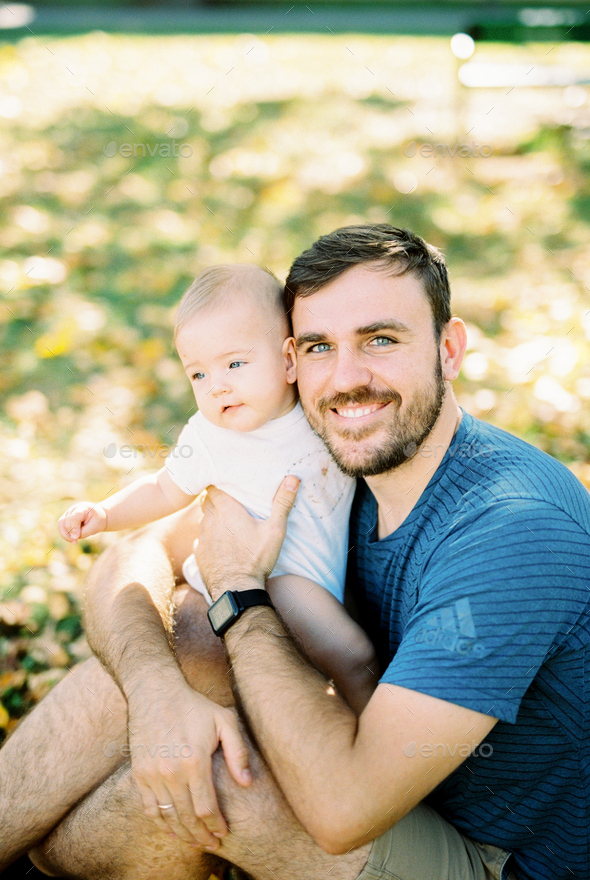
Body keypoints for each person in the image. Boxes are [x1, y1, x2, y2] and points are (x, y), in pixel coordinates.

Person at [1, 224, 589, 880]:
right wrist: (154, 692)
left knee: (223, 779)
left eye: (381, 340)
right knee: (187, 635)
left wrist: (239, 591)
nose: (346, 379)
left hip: (501, 857)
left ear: (448, 349)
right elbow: (137, 557)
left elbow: (343, 812)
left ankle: (40, 861)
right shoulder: (328, 449)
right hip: (388, 780)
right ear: (289, 359)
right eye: (318, 347)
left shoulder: (511, 531)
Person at [57, 263, 375, 713]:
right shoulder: (210, 439)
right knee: (354, 655)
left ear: (288, 360)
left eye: (234, 364)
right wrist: (106, 514)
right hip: (273, 581)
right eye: (198, 375)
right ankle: (373, 737)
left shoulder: (317, 407)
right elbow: (163, 489)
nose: (216, 387)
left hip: (324, 567)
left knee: (351, 638)